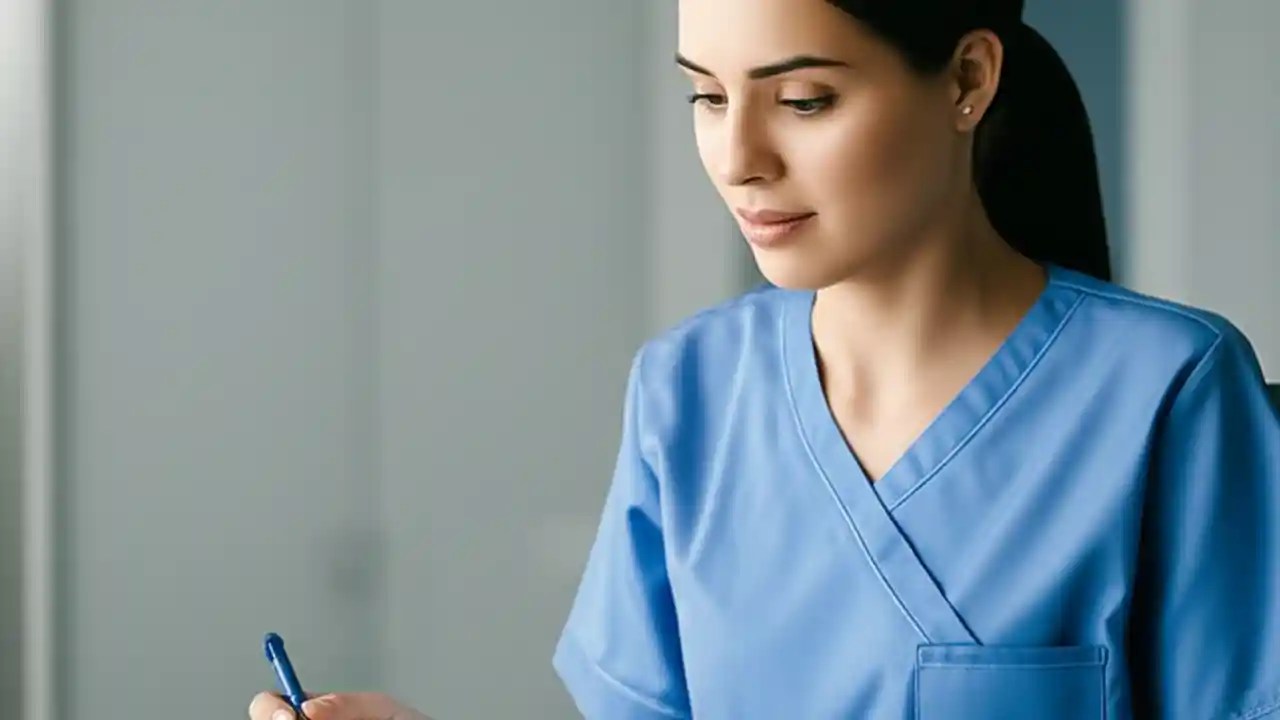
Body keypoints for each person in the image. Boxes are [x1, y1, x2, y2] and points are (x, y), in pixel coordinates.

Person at [250, 0, 1280, 717]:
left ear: (966, 80)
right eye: (705, 96)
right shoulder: (686, 391)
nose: (737, 155)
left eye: (801, 101)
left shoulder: (1167, 389)